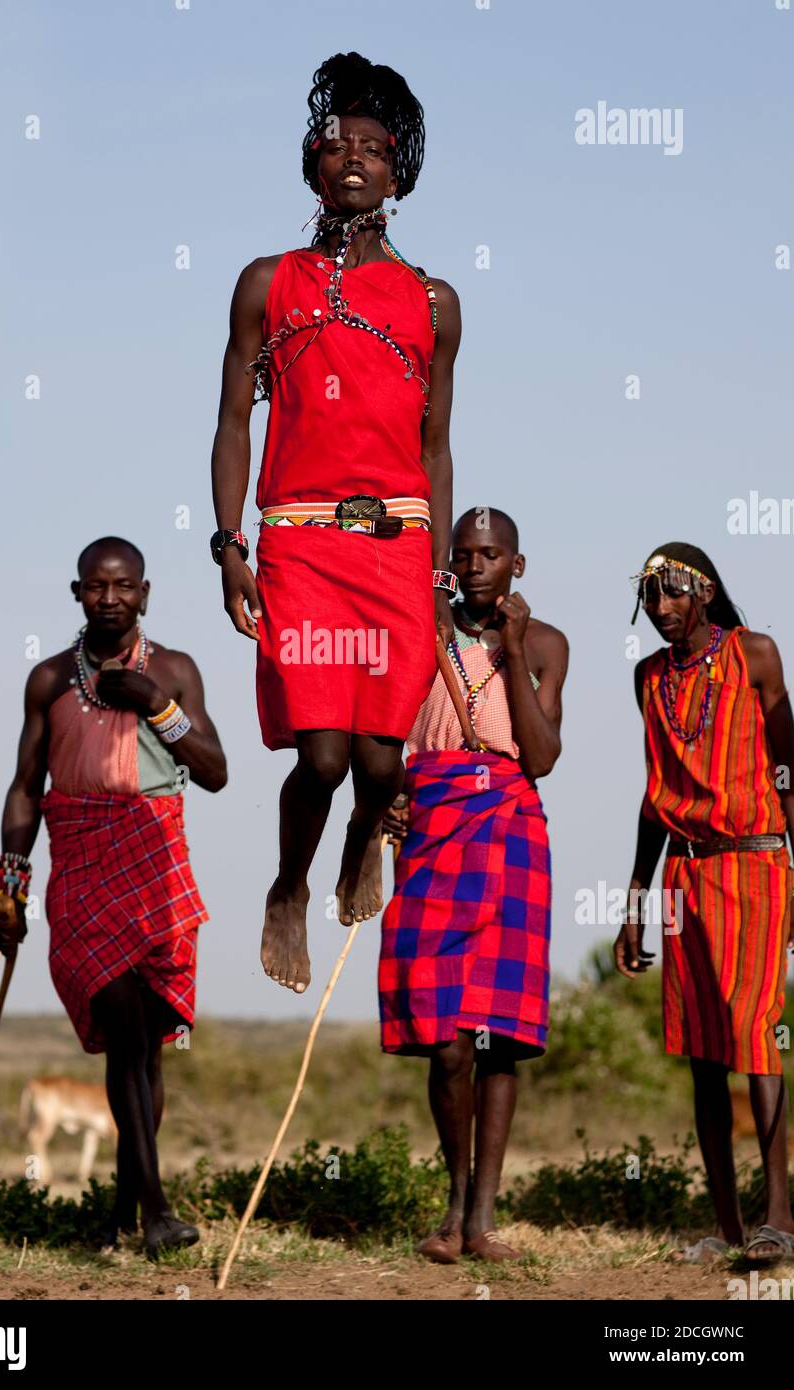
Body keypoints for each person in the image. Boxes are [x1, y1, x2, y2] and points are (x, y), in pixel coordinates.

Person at [210, 50, 461, 994]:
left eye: (372, 147)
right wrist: (231, 546)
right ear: (312, 167)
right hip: (302, 545)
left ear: (398, 171)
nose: (351, 158)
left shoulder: (435, 303)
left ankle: (366, 836)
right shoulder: (265, 282)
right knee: (320, 753)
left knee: (382, 761)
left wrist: (437, 573)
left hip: (397, 543)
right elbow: (234, 423)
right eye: (333, 145)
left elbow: (435, 449)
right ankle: (287, 887)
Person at [0, 537, 227, 1259]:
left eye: (123, 586)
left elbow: (214, 772)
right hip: (84, 863)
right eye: (96, 586)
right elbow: (27, 788)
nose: (110, 598)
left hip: (157, 860)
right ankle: (155, 1211)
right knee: (123, 1033)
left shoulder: (174, 672)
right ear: (77, 593)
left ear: (145, 593)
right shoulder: (51, 680)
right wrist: (8, 890)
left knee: (146, 1052)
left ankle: (122, 1215)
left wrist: (159, 707)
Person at [380, 507, 568, 1262]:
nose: (473, 566)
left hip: (510, 829)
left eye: (489, 555)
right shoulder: (419, 630)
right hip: (431, 825)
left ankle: (481, 1218)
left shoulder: (546, 643)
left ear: (516, 565)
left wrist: (514, 648)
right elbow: (384, 727)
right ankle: (452, 1203)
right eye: (462, 555)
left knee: (498, 1039)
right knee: (444, 1038)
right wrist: (388, 797)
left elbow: (542, 753)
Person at [614, 542, 794, 1266]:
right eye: (651, 595)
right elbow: (655, 798)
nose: (661, 608)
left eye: (674, 594)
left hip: (755, 862)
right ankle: (724, 1228)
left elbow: (789, 767)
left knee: (754, 1035)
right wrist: (633, 896)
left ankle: (778, 1219)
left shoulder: (754, 655)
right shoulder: (647, 678)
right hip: (684, 879)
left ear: (706, 592)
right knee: (700, 1050)